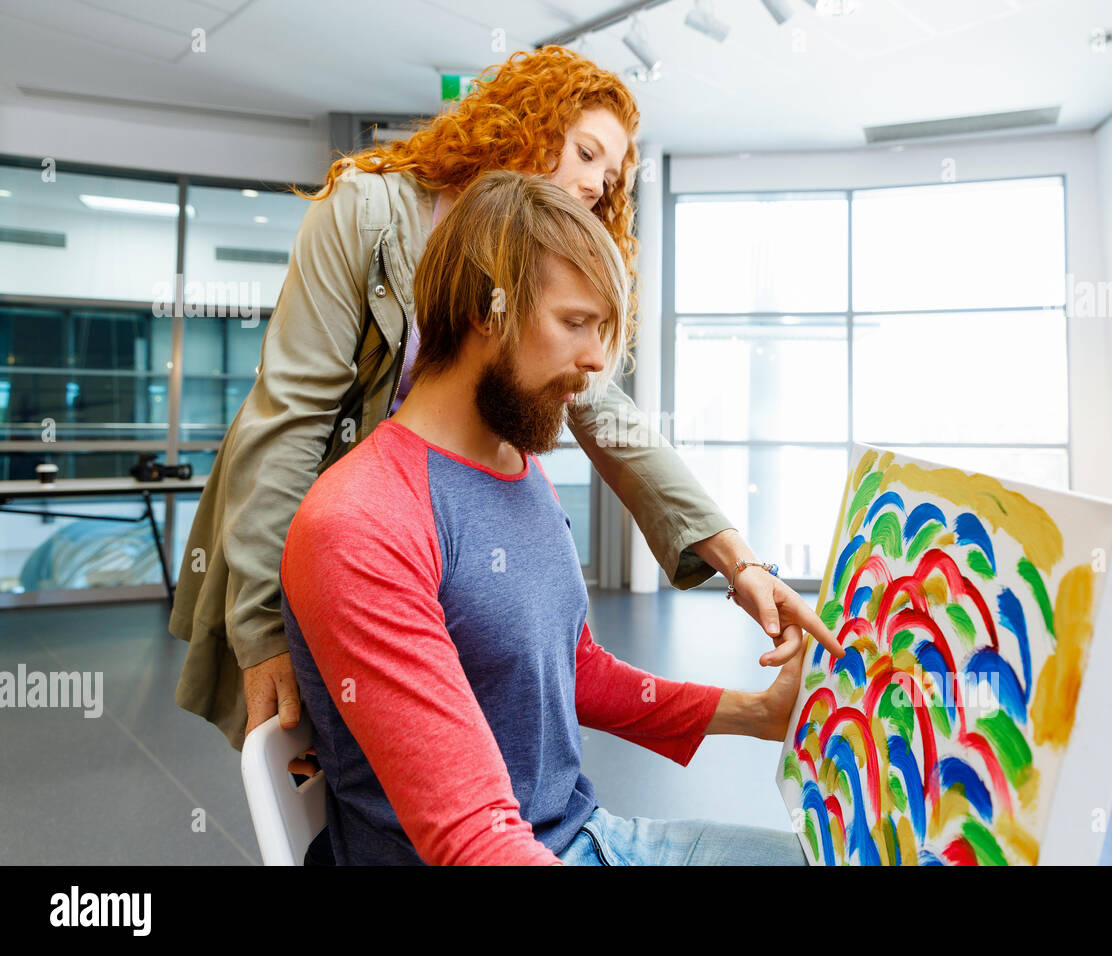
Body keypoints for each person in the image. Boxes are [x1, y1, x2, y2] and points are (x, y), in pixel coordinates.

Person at [168, 45, 840, 760]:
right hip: (339, 544)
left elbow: (609, 418)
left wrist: (742, 565)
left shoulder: (531, 265)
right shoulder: (366, 213)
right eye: (586, 153)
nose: (595, 185)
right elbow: (292, 419)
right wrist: (264, 628)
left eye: (610, 178)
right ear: (525, 123)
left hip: (436, 546)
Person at [280, 169, 816, 865]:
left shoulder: (519, 465)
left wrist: (758, 713)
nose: (594, 361)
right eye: (574, 324)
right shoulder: (360, 521)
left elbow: (570, 669)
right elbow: (474, 841)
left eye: (602, 330)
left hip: (577, 836)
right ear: (486, 310)